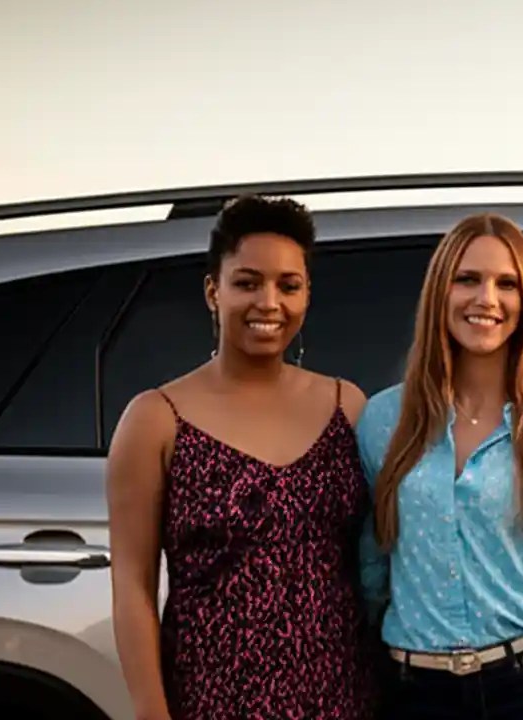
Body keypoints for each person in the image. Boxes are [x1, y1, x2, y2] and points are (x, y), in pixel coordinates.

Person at [105, 195, 377, 720]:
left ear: (306, 294)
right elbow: (133, 589)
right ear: (214, 290)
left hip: (342, 698)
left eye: (288, 285)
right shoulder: (157, 419)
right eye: (247, 282)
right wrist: (151, 712)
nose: (269, 302)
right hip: (213, 701)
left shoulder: (349, 407)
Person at [355, 212, 523, 720]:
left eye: (507, 284)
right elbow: (373, 566)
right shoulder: (382, 420)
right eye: (467, 279)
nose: (487, 300)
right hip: (415, 693)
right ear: (440, 292)